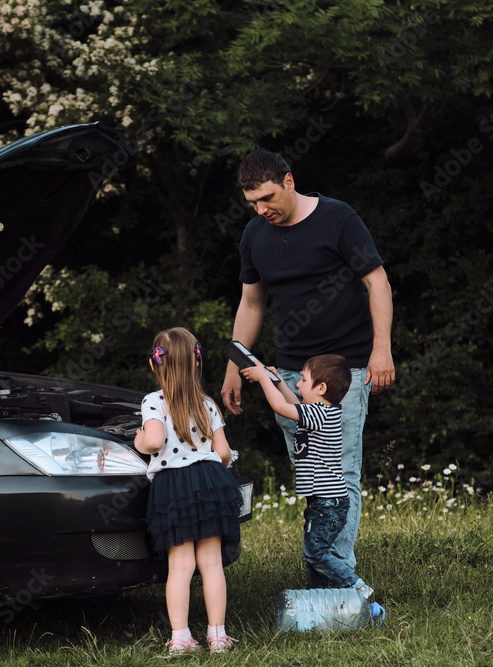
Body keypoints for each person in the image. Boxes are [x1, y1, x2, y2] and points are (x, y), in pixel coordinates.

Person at [221, 148, 395, 575]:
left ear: (289, 181)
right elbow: (251, 303)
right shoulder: (254, 235)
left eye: (267, 198)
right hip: (291, 375)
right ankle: (322, 570)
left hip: (341, 371)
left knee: (340, 476)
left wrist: (382, 349)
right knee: (315, 480)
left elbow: (377, 282)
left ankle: (339, 580)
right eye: (252, 203)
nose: (261, 209)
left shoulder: (338, 218)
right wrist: (233, 366)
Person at [134, 327, 244, 654]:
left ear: (155, 364)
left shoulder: (154, 401)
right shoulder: (207, 403)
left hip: (173, 487)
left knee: (180, 567)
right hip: (210, 482)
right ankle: (218, 636)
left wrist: (139, 441)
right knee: (211, 564)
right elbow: (223, 453)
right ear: (197, 362)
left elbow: (154, 440)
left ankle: (181, 638)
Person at [240, 354, 375, 598]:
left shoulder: (321, 414)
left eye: (303, 380)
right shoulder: (318, 411)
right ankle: (318, 595)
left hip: (328, 503)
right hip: (322, 502)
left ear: (321, 388)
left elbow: (281, 407)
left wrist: (263, 379)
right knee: (314, 554)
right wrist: (279, 381)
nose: (298, 384)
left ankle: (357, 586)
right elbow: (293, 402)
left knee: (316, 553)